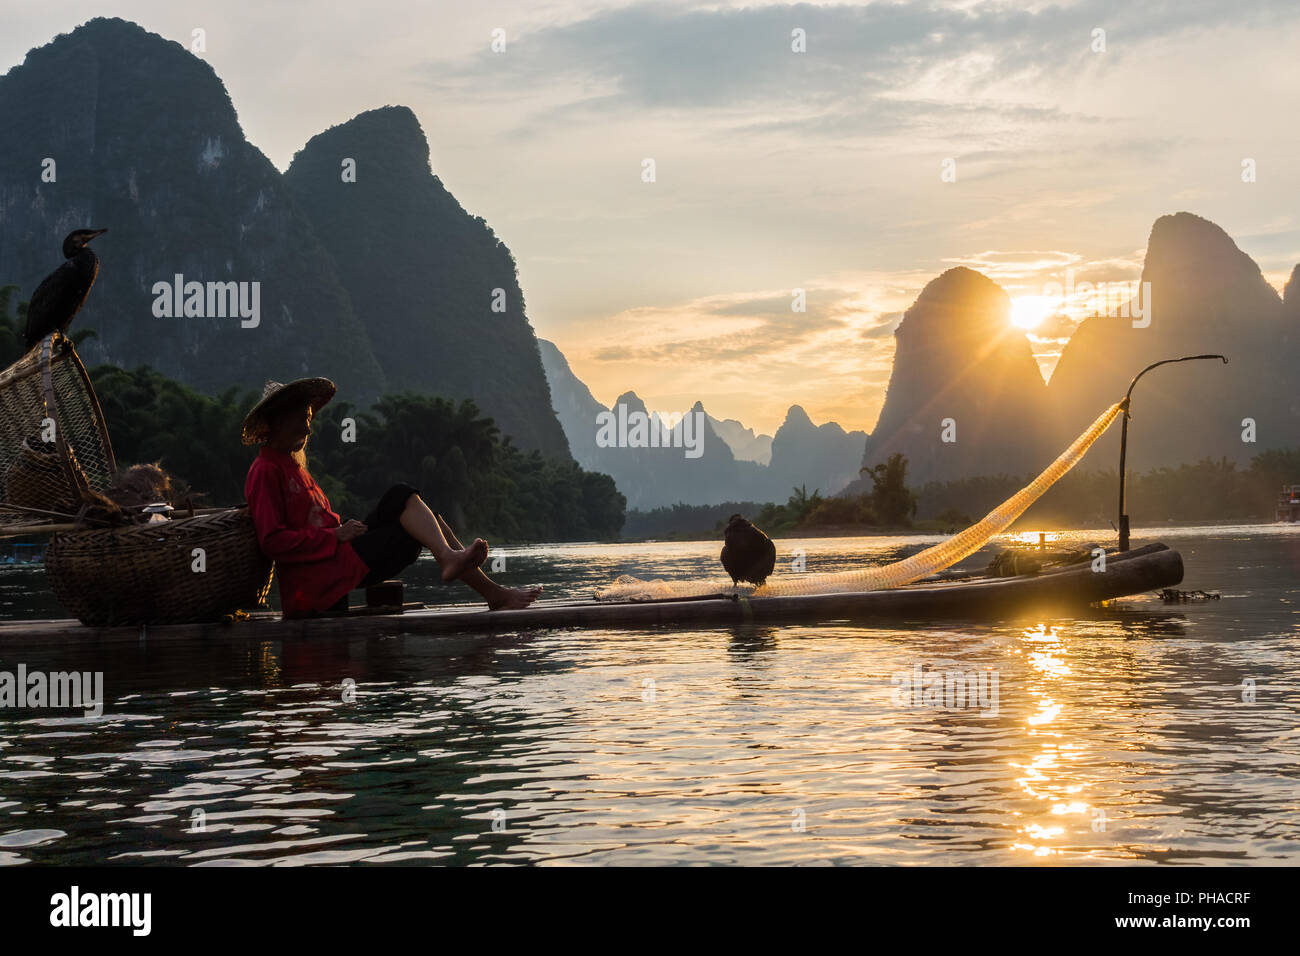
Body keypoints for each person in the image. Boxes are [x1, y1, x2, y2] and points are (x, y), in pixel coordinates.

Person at [241, 377, 542, 618]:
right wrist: (335, 535)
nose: (308, 427)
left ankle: (481, 584)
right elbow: (272, 542)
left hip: (338, 555)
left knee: (417, 510)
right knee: (407, 512)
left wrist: (343, 529)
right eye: (301, 419)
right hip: (321, 574)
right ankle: (477, 581)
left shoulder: (294, 468)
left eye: (309, 418)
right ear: (278, 422)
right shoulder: (265, 470)